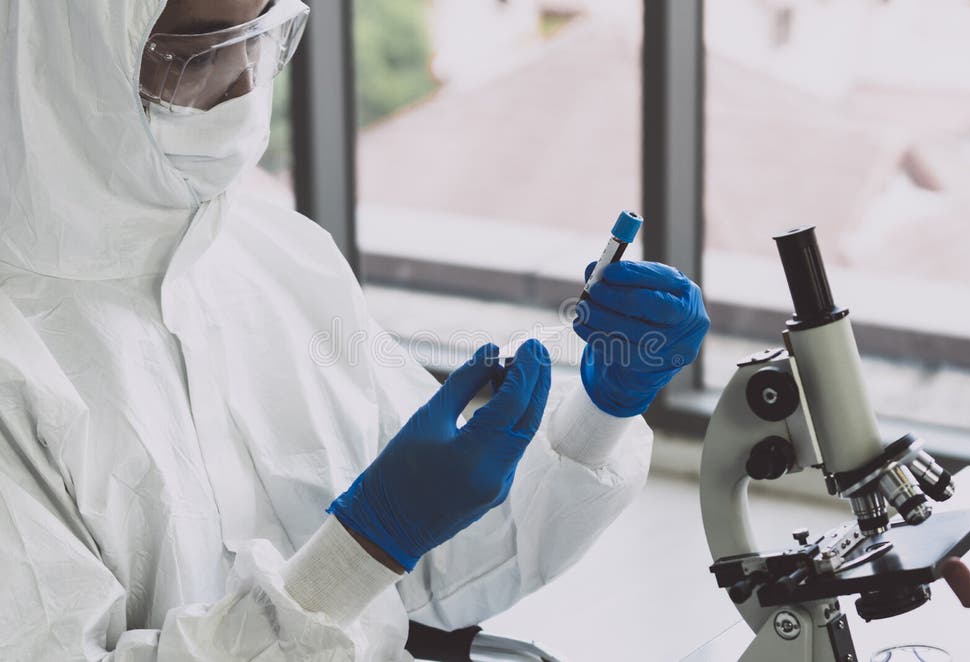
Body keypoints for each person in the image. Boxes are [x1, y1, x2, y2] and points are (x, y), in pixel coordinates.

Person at [0, 0, 710, 660]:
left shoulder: (281, 261)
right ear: (63, 60)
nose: (244, 85)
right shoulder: (17, 358)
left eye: (259, 35)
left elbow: (439, 577)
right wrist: (364, 544)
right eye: (199, 53)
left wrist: (603, 410)